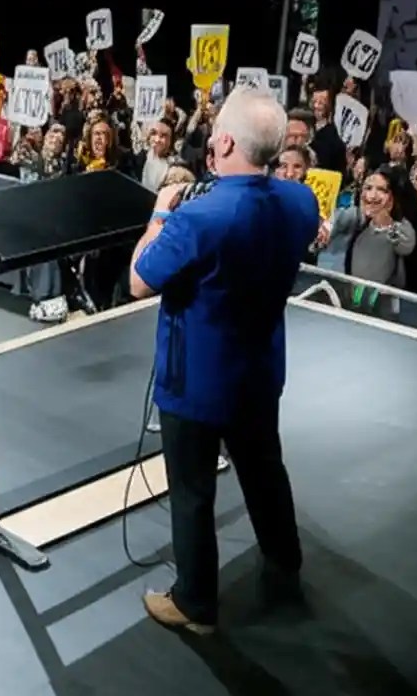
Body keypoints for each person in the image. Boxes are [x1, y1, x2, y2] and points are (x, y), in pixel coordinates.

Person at [129, 89, 319, 635]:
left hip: (196, 382)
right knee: (264, 470)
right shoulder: (301, 201)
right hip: (259, 372)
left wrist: (159, 215)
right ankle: (284, 559)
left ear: (227, 142)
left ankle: (195, 603)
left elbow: (139, 280)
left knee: (192, 492)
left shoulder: (198, 217)